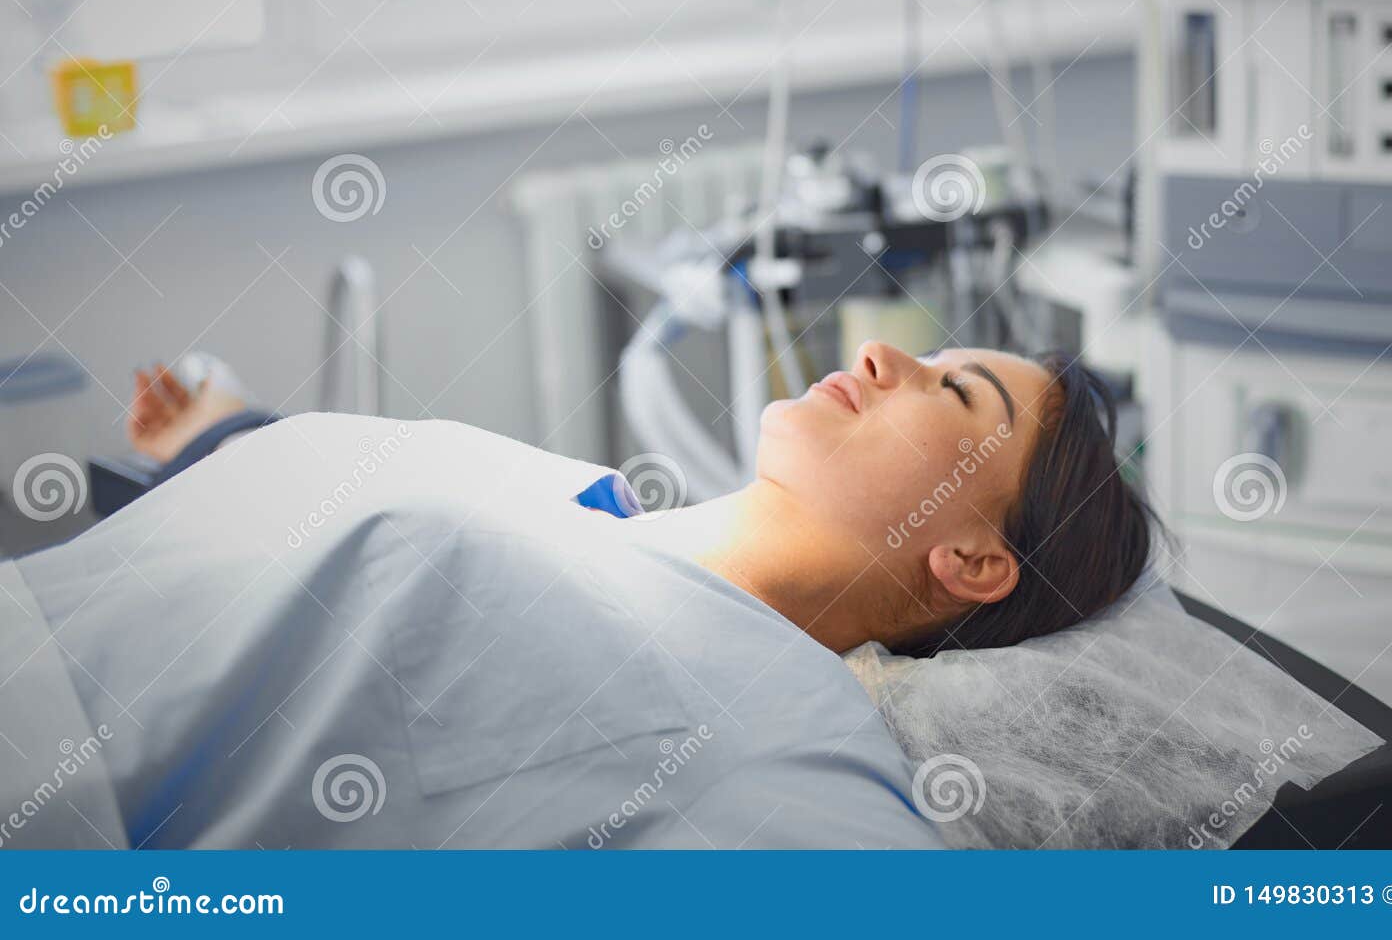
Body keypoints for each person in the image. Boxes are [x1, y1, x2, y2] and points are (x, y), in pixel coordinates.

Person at [3, 341, 1156, 849]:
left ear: (970, 560)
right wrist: (225, 439)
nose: (882, 356)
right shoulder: (588, 508)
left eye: (952, 390)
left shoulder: (768, 731)